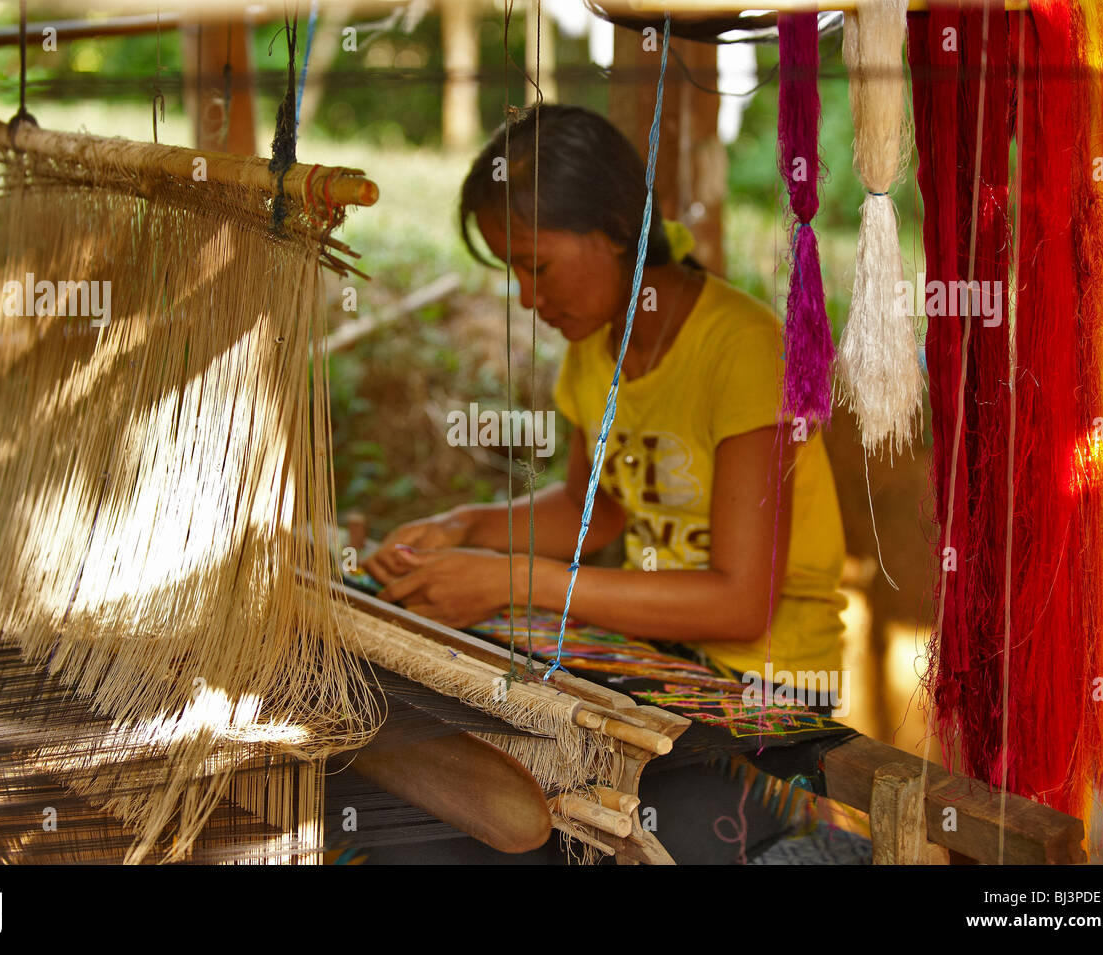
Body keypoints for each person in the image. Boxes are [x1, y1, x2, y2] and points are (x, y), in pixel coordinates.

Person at [355, 104, 850, 864]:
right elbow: (593, 513)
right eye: (512, 270)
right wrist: (467, 526)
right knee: (464, 808)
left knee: (576, 836)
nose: (526, 298)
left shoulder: (741, 350)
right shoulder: (597, 351)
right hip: (659, 672)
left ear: (618, 228)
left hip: (766, 700)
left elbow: (741, 601)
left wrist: (513, 581)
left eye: (537, 265)